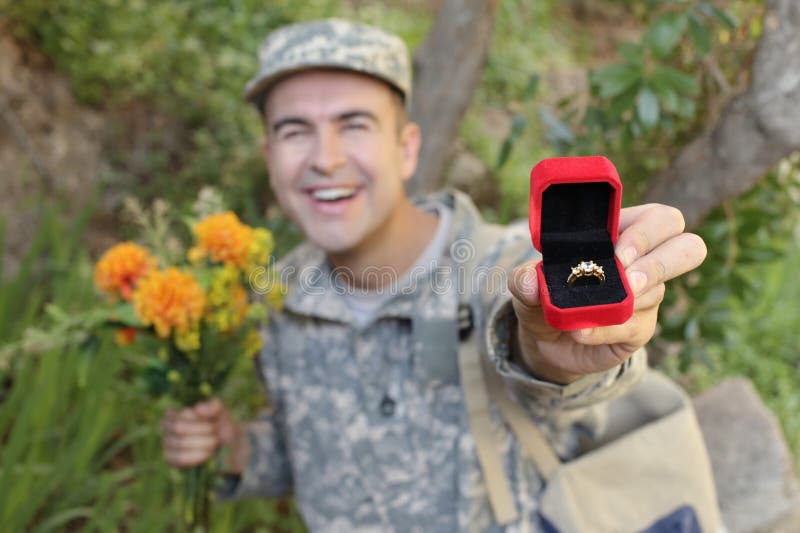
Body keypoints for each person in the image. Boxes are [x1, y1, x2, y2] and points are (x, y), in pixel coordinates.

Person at [160, 19, 707, 531]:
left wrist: (555, 351)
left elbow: (533, 331)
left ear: (406, 149)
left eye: (353, 125)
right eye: (294, 130)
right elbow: (305, 445)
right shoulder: (272, 297)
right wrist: (238, 449)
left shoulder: (499, 263)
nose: (324, 159)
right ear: (269, 154)